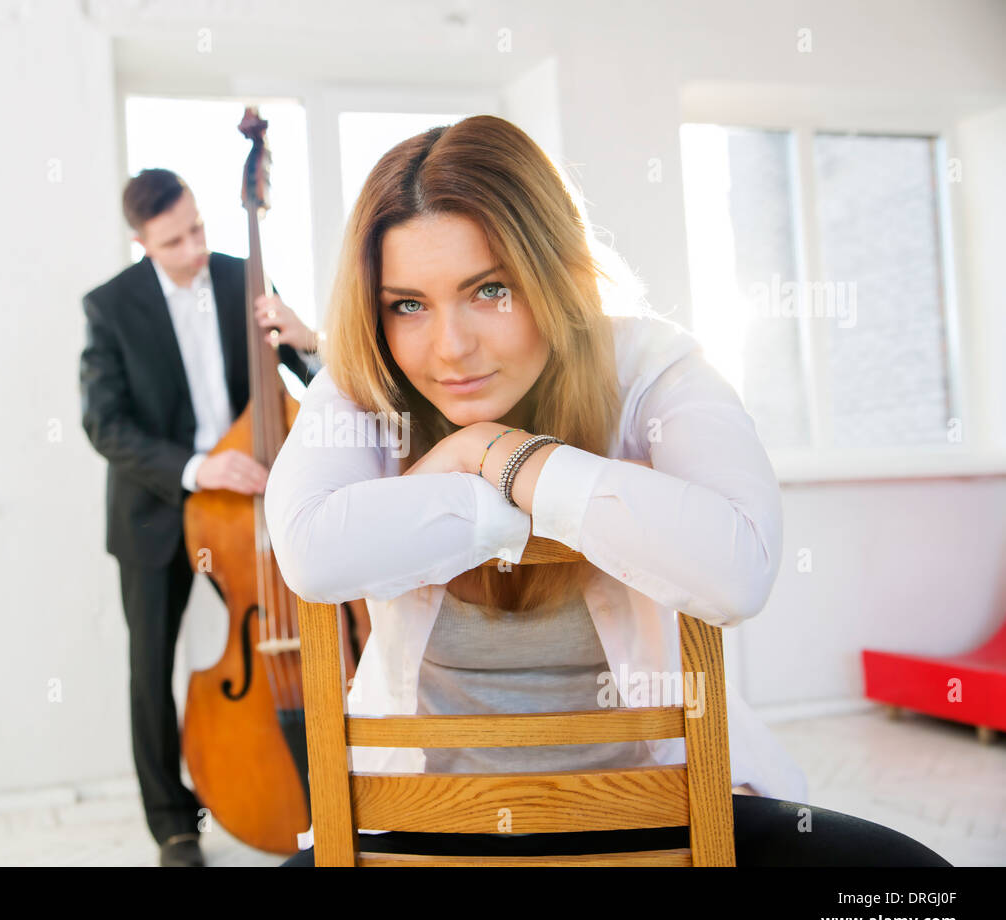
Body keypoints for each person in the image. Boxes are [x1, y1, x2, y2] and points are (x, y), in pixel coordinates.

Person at [262, 116, 951, 867]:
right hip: (423, 821)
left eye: (490, 289)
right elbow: (310, 551)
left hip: (663, 805)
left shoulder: (650, 365)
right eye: (408, 304)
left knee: (916, 893)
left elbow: (738, 566)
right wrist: (502, 473)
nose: (450, 347)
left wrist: (506, 455)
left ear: (555, 273)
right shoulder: (363, 384)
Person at [79, 168, 321, 866]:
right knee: (151, 665)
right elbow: (103, 424)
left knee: (300, 634)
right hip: (160, 510)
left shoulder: (245, 276)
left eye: (197, 228)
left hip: (253, 506)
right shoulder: (109, 307)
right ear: (140, 240)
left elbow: (314, 373)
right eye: (173, 240)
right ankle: (175, 825)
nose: (192, 248)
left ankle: (319, 792)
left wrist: (303, 341)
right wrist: (196, 468)